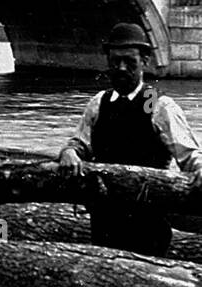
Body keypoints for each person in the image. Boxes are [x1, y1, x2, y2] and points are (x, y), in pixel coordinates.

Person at [57, 21, 202, 256]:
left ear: (144, 62)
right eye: (115, 61)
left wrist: (200, 169)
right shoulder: (99, 103)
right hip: (104, 223)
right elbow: (79, 143)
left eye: (129, 61)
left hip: (147, 224)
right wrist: (69, 153)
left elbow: (189, 154)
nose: (121, 68)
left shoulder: (157, 103)